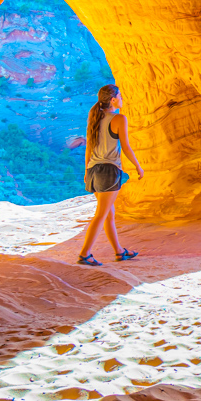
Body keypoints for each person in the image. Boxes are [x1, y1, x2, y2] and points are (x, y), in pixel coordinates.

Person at [77, 84, 144, 266]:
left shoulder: (95, 118)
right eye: (120, 96)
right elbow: (126, 147)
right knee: (101, 214)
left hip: (93, 170)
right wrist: (138, 167)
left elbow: (89, 147)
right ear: (113, 99)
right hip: (108, 171)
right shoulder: (119, 119)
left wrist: (86, 171)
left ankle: (119, 251)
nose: (122, 99)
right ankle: (85, 254)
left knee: (108, 214)